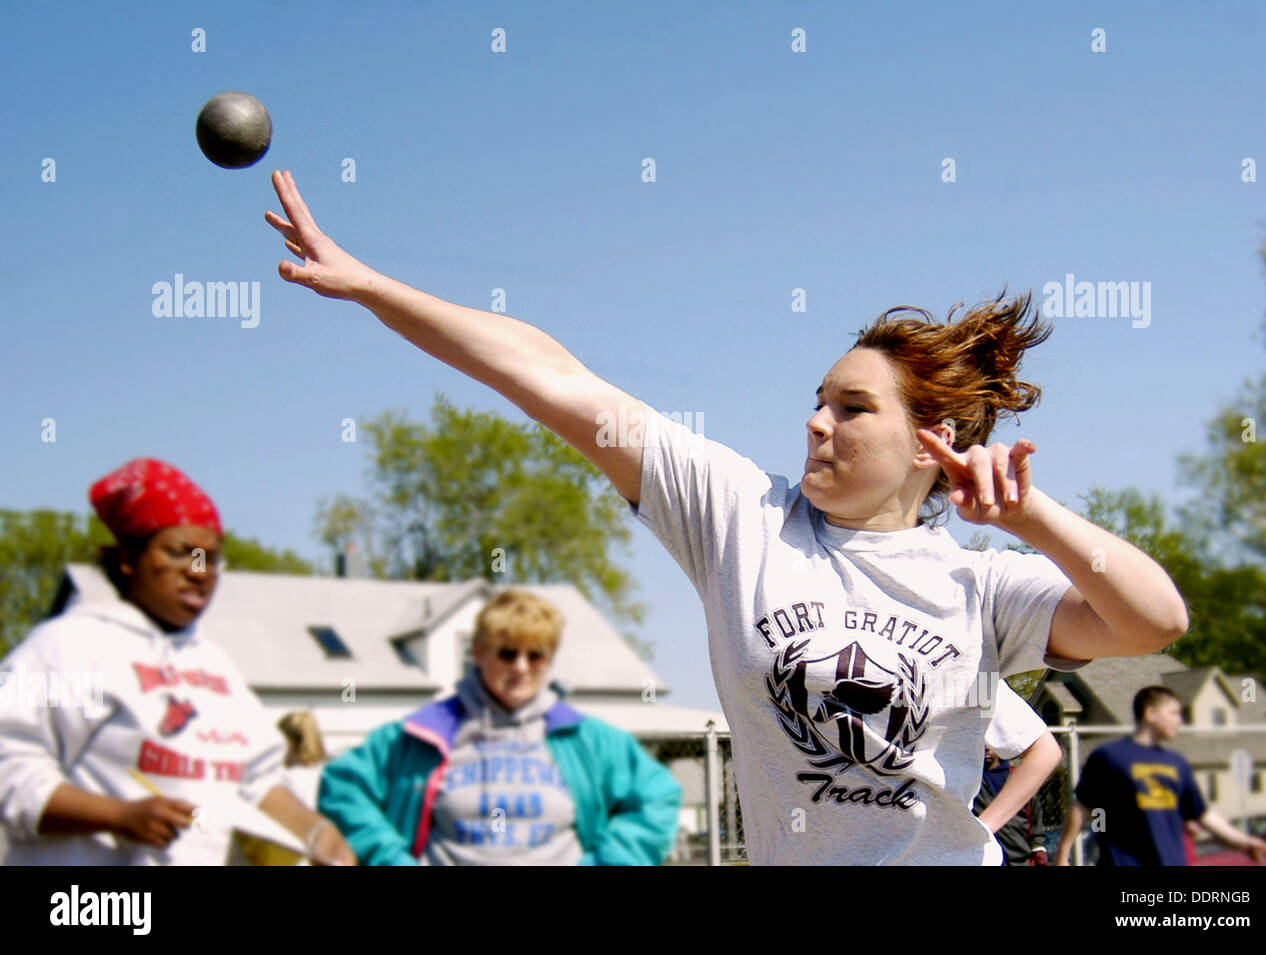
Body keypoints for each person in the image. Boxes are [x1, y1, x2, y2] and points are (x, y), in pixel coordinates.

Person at [265, 168, 1190, 864]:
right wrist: (375, 287)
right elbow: (553, 377)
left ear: (928, 443)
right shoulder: (740, 517)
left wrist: (1032, 518)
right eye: (818, 397)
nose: (815, 420)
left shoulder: (983, 585)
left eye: (852, 408)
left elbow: (1154, 618)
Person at [0, 457, 356, 866]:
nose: (200, 572)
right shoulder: (68, 647)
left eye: (211, 558)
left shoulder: (215, 666)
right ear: (128, 558)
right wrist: (119, 816)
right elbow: (10, 767)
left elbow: (257, 783)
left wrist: (317, 834)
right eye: (181, 552)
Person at [316, 587, 682, 865]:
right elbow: (342, 786)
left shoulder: (586, 739)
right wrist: (391, 859)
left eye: (536, 654)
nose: (521, 667)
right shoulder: (422, 734)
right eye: (508, 653)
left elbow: (659, 796)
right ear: (478, 652)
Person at [1055, 686, 1266, 866]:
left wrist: (1244, 841)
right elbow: (1083, 807)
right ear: (1150, 714)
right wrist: (1063, 854)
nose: (1179, 720)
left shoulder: (1177, 763)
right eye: (1173, 713)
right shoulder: (1109, 756)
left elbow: (1203, 814)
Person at [973, 680, 1060, 865]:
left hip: (1019, 857)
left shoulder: (1017, 775)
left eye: (991, 745)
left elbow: (1034, 815)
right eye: (985, 745)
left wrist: (1038, 847)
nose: (988, 750)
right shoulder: (971, 778)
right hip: (980, 856)